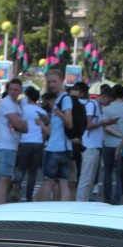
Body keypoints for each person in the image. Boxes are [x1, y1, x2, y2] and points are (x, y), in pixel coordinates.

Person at [37, 70, 74, 202]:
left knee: (48, 182)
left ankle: (43, 211)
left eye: (54, 81)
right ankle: (62, 211)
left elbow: (69, 123)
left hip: (55, 148)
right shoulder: (61, 99)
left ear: (62, 80)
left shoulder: (65, 99)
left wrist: (60, 114)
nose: (52, 84)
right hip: (65, 147)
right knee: (63, 183)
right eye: (49, 82)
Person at [0, 78, 27, 205]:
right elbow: (20, 125)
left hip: (9, 145)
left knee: (2, 180)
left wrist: (23, 125)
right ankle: (0, 210)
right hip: (6, 146)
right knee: (4, 180)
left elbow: (24, 127)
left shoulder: (16, 105)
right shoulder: (7, 104)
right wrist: (23, 125)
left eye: (15, 89)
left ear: (20, 91)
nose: (12, 91)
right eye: (10, 89)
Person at [14, 86, 47, 201]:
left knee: (21, 169)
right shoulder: (42, 112)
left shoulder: (22, 110)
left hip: (24, 142)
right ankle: (29, 196)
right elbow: (45, 130)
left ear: (28, 97)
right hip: (37, 142)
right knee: (33, 172)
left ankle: (16, 186)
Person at [99, 84, 123, 204]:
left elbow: (105, 126)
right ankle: (117, 199)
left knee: (107, 173)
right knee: (120, 175)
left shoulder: (106, 108)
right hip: (122, 145)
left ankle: (107, 199)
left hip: (108, 143)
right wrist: (121, 135)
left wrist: (116, 133)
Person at [75, 81, 104, 202]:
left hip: (91, 144)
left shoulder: (91, 105)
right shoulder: (91, 105)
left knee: (88, 178)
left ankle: (83, 201)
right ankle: (81, 201)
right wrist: (104, 122)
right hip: (88, 145)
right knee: (86, 178)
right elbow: (88, 125)